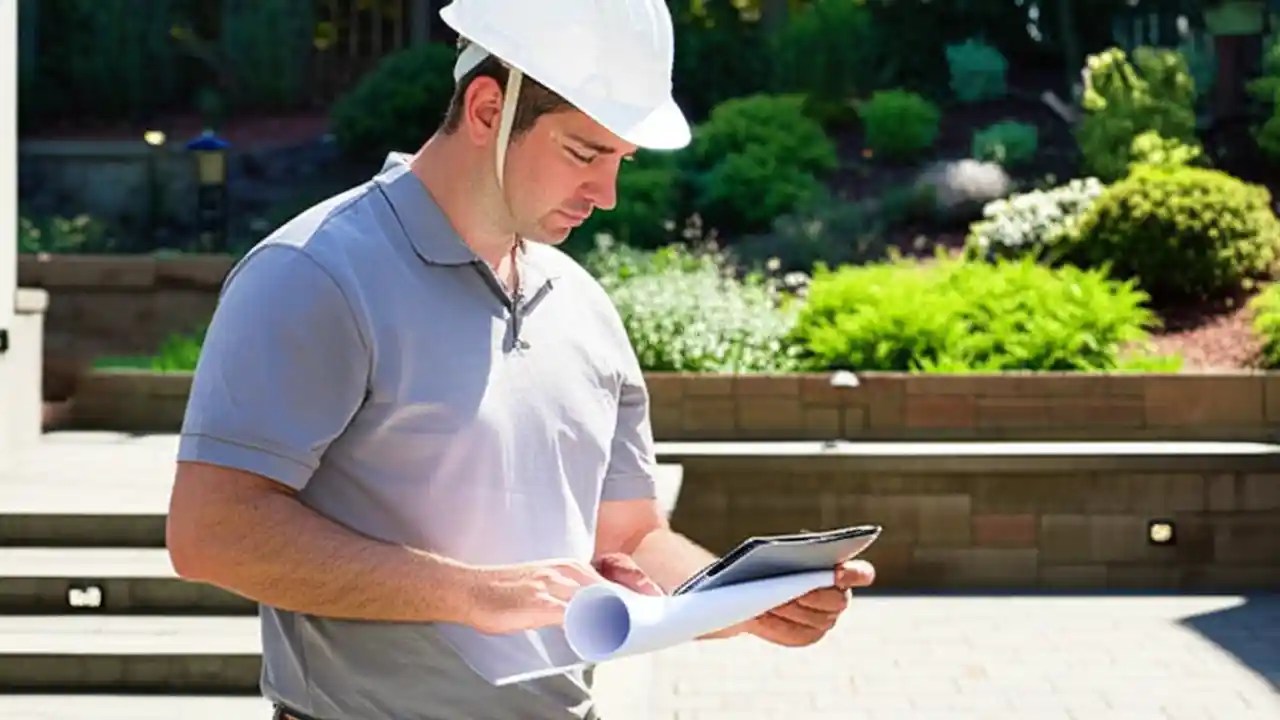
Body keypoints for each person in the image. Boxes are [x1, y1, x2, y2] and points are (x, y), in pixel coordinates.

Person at [164, 1, 875, 718]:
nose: (607, 194)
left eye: (619, 160)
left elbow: (628, 539)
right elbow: (211, 534)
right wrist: (474, 595)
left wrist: (745, 602)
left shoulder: (583, 305)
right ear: (485, 109)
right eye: (584, 153)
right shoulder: (313, 272)